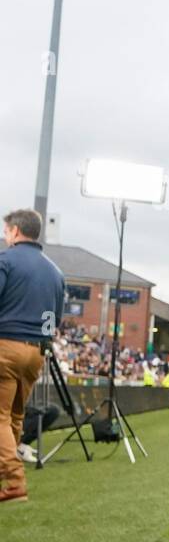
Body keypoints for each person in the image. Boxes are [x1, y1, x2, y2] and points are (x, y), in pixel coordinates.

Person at [0, 209, 65, 504]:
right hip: (36, 351)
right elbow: (54, 321)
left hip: (5, 346)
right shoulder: (55, 272)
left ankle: (14, 481)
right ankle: (6, 476)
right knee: (14, 417)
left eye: (5, 231)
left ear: (14, 231)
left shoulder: (5, 261)